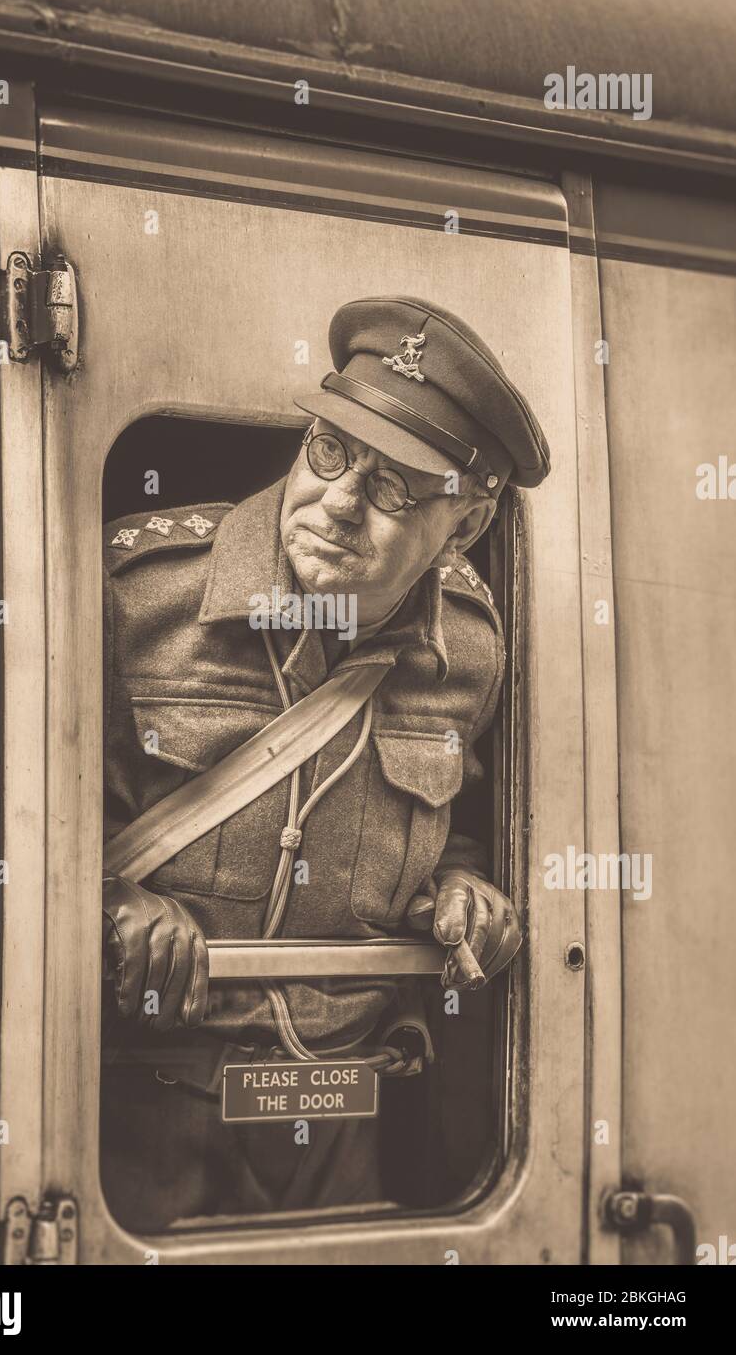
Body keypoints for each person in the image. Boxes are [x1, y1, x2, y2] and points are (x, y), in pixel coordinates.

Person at [99, 296, 550, 1229]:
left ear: (463, 528)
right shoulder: (140, 596)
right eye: (332, 452)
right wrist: (110, 907)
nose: (339, 504)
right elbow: (4, 831)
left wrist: (465, 887)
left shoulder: (469, 647)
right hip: (141, 1112)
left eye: (395, 489)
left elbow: (454, 825)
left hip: (348, 1115)